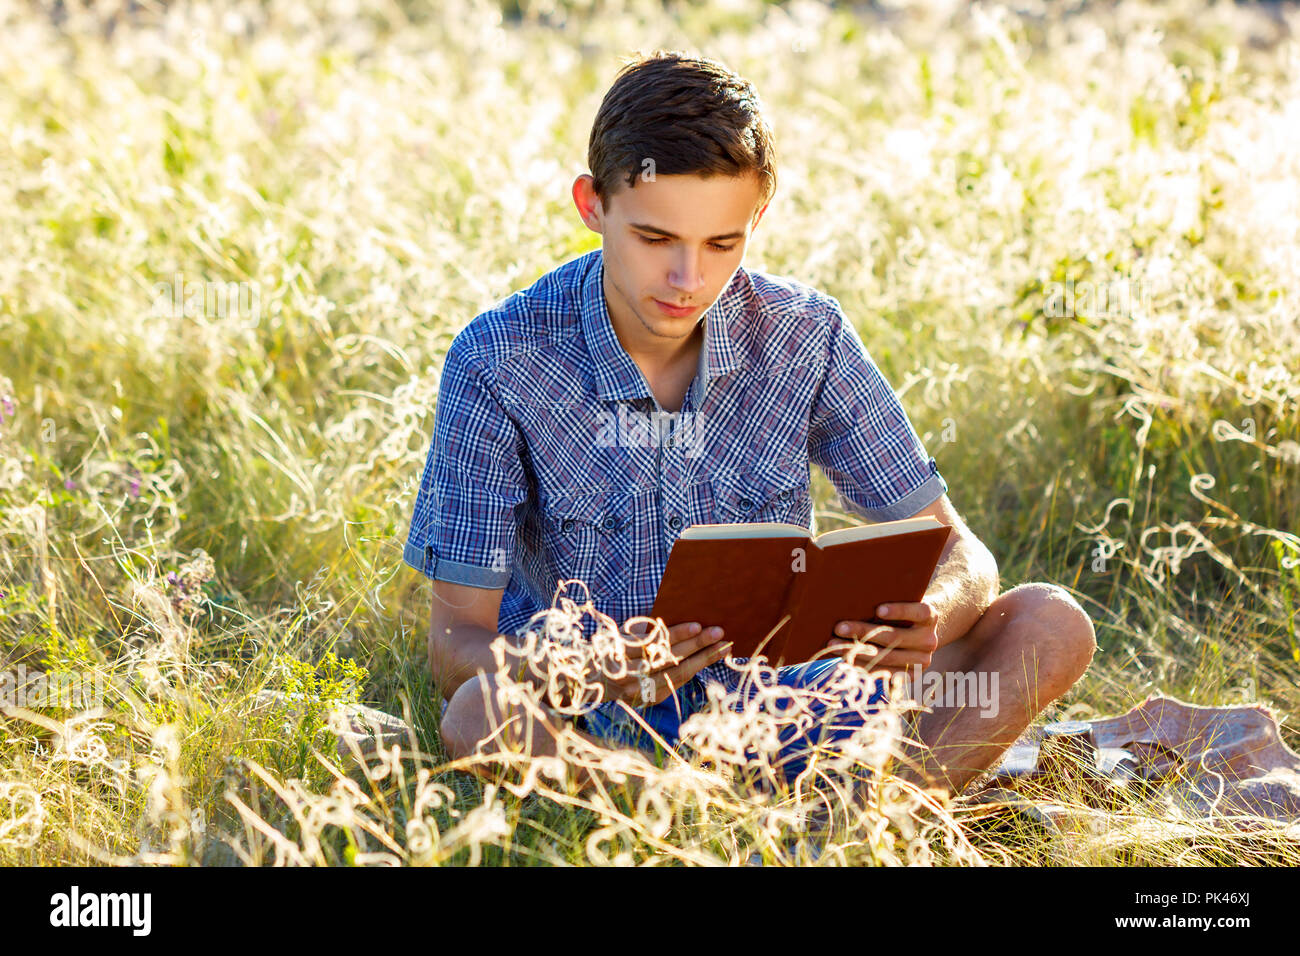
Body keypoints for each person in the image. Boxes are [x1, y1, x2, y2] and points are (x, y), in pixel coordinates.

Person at [404, 50, 1097, 796]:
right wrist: (587, 666)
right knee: (480, 714)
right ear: (592, 205)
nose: (688, 280)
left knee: (1048, 624)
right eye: (655, 239)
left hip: (797, 693)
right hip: (607, 713)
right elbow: (455, 647)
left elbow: (965, 553)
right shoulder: (497, 358)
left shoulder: (807, 335)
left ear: (757, 220)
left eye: (722, 244)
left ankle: (885, 817)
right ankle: (680, 810)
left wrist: (930, 612)